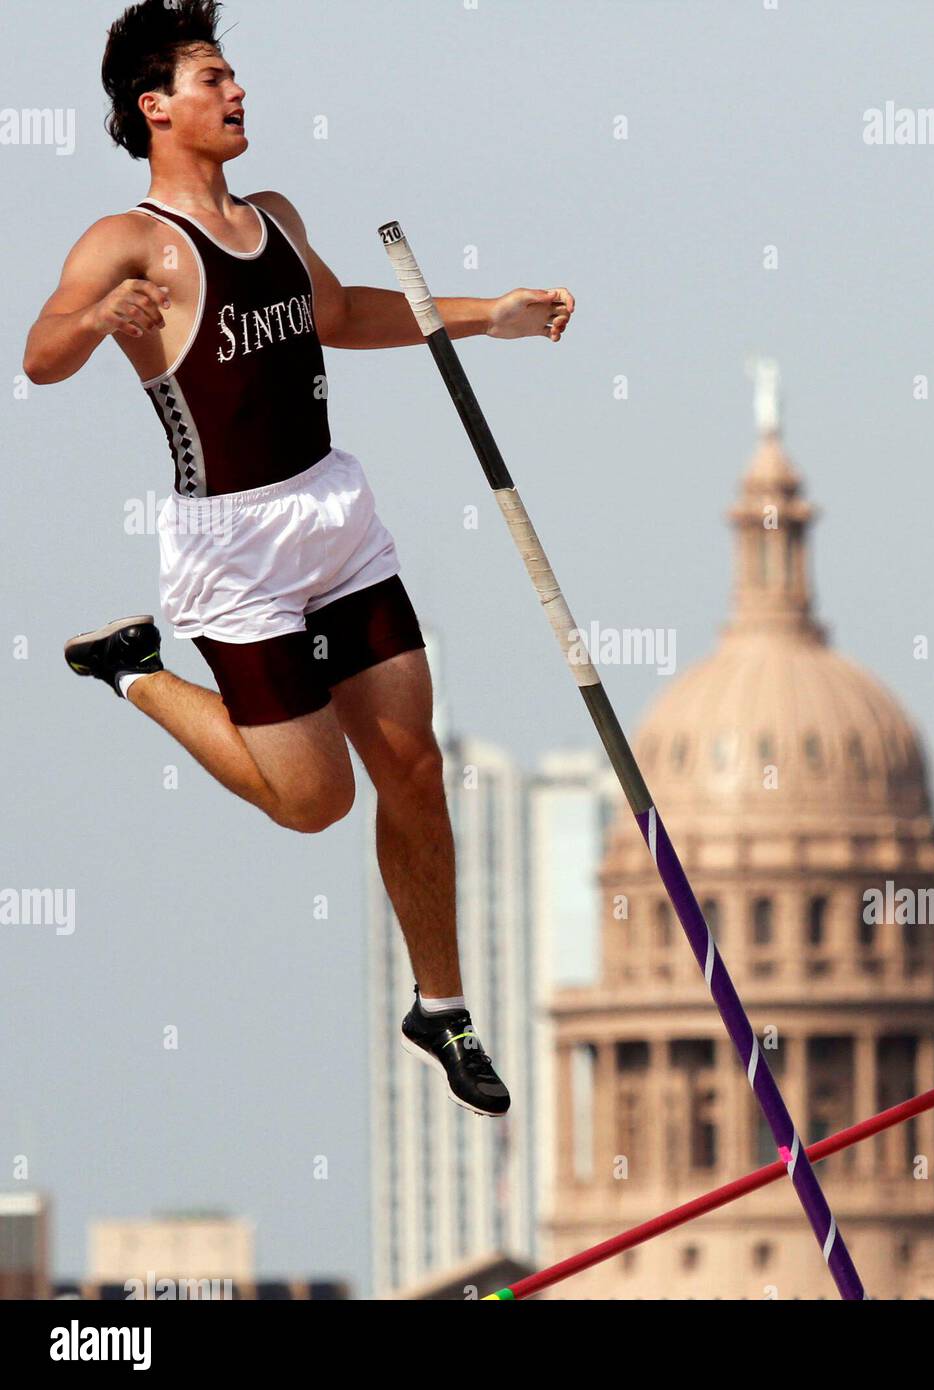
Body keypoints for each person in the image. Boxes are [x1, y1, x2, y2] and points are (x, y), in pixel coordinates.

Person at [24, 0, 576, 1118]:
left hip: (333, 514)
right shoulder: (126, 242)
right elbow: (38, 353)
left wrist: (487, 316)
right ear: (155, 106)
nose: (238, 93)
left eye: (236, 77)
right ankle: (133, 668)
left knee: (413, 765)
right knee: (314, 802)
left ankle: (441, 1005)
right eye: (214, 78)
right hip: (233, 550)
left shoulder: (272, 215)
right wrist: (98, 323)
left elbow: (338, 312)